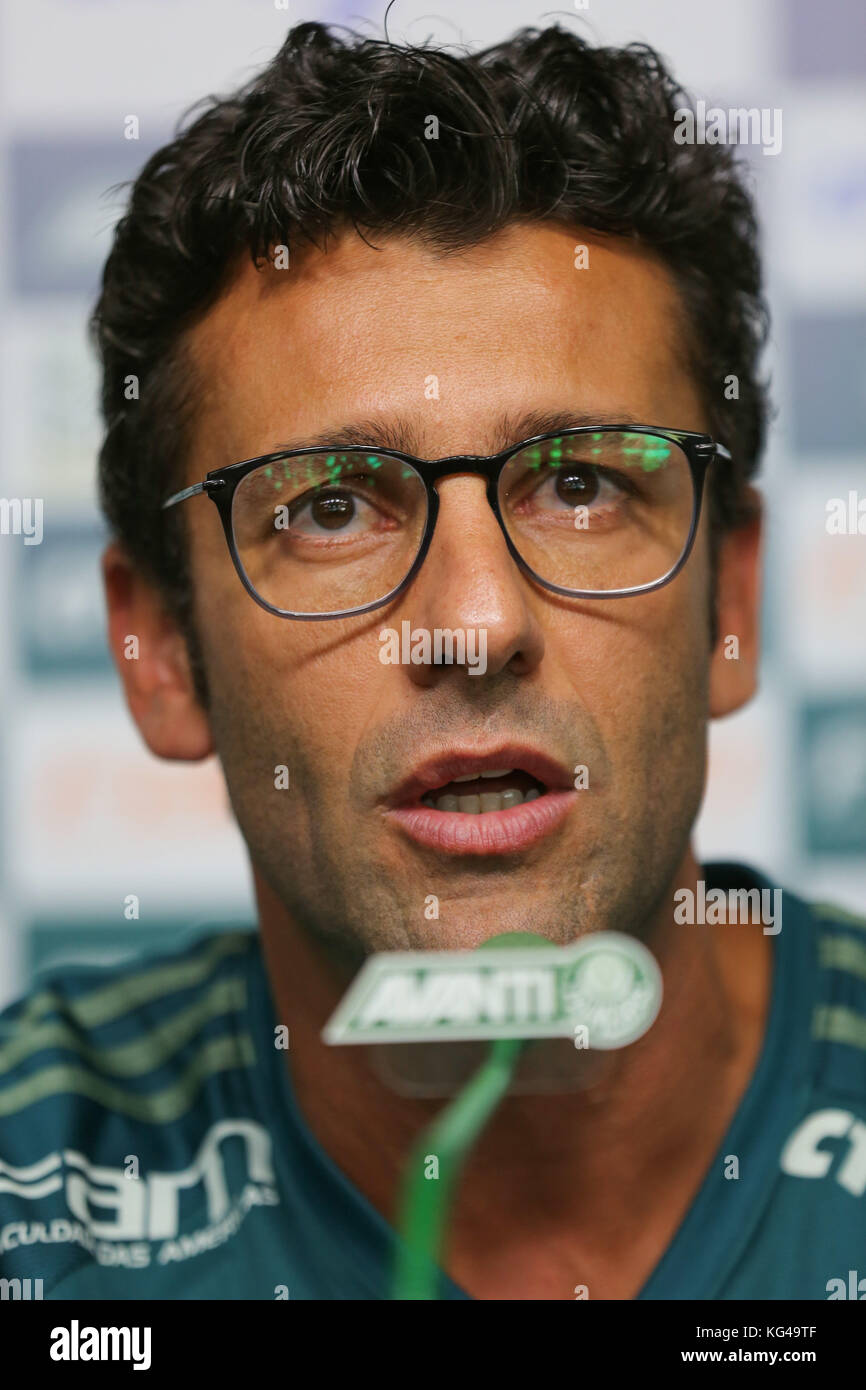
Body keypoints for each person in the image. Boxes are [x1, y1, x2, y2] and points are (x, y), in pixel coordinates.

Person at [1, 21, 863, 1302]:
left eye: (578, 483)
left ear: (728, 607)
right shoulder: (39, 1181)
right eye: (331, 508)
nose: (474, 623)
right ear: (164, 652)